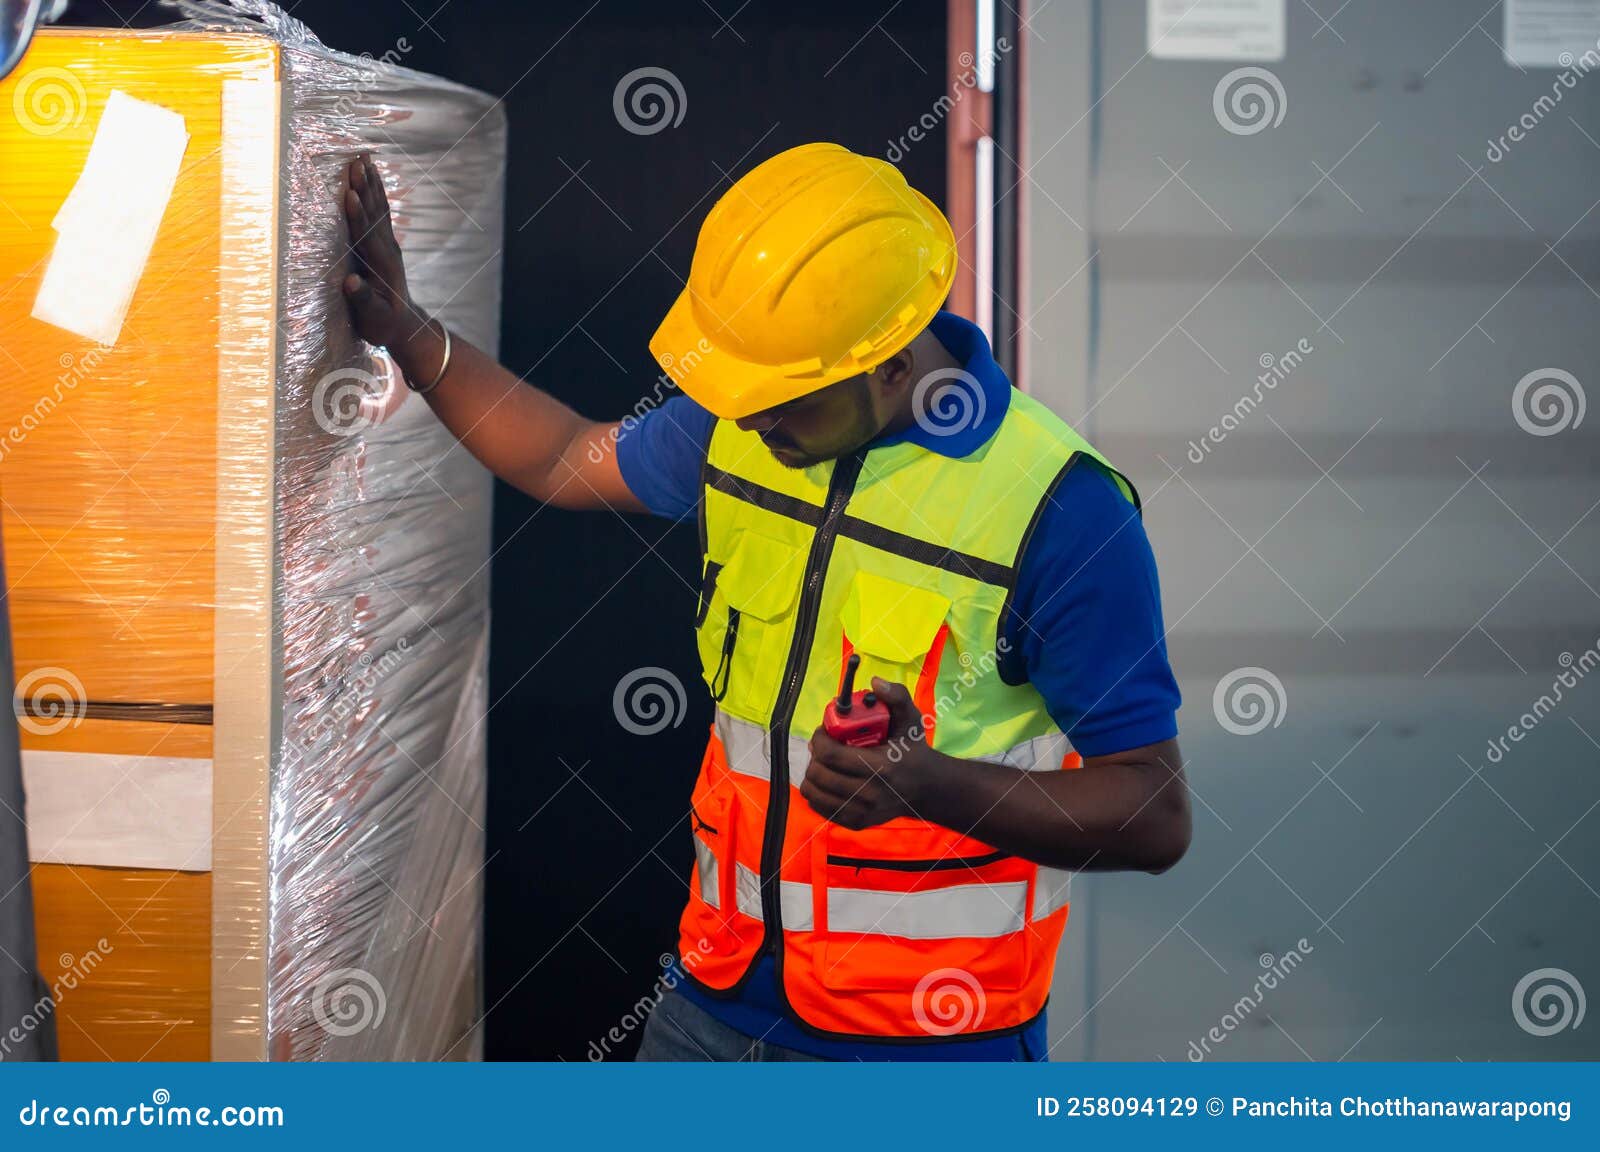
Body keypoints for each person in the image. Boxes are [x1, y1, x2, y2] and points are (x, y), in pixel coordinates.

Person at [339, 141, 1190, 1062]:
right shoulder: (747, 422)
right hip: (710, 1010)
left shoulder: (1060, 513)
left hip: (926, 1051)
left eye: (781, 401)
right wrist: (407, 331)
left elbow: (1153, 813)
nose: (749, 420)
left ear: (892, 367)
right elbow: (560, 458)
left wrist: (927, 784)